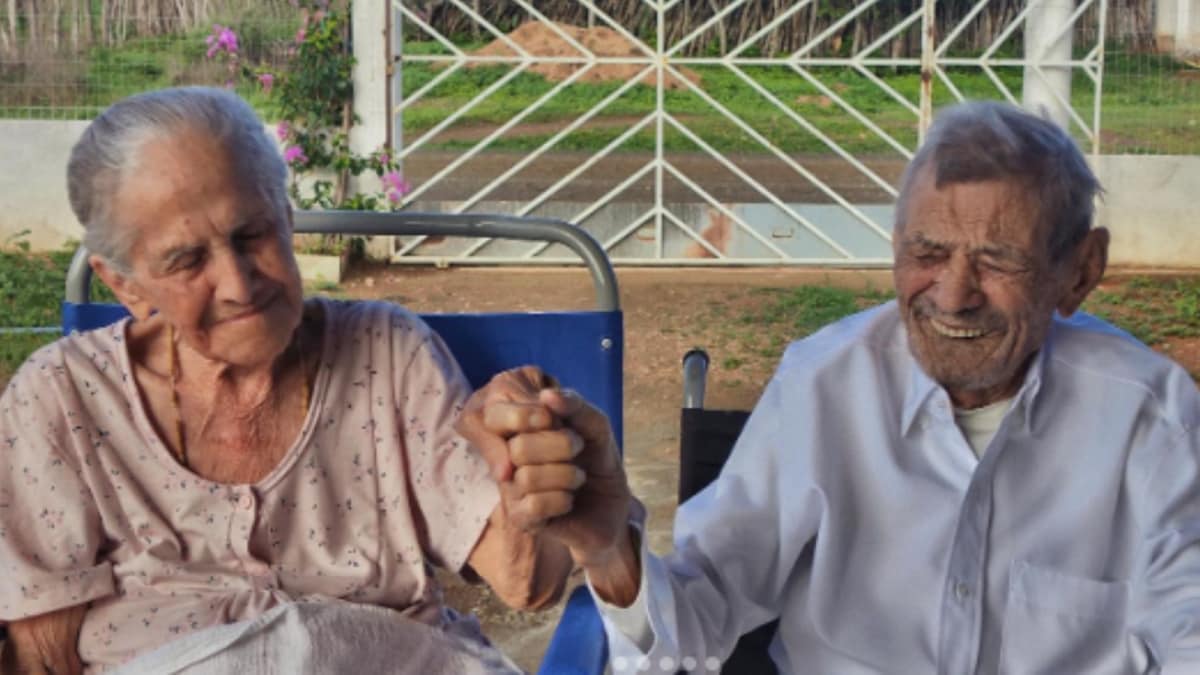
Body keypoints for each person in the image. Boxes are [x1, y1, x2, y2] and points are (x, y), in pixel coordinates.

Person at [465, 101, 1200, 673]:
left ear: (1080, 270)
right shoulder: (824, 385)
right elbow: (691, 634)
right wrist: (610, 552)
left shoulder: (1153, 418)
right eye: (927, 250)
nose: (951, 295)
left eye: (997, 259)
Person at [0, 87, 579, 674]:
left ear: (286, 214)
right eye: (187, 261)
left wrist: (528, 468)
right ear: (126, 286)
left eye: (253, 234)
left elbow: (524, 580)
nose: (238, 284)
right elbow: (40, 659)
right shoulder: (62, 399)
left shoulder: (389, 353)